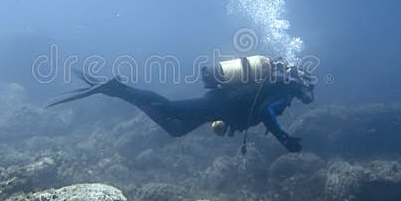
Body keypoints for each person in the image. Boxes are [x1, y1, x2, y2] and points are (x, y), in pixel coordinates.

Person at [45, 55, 314, 152]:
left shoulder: (279, 85)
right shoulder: (284, 91)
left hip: (222, 109)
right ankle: (116, 88)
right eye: (307, 90)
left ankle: (115, 90)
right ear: (301, 83)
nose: (306, 97)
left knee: (176, 129)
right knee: (170, 108)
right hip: (219, 104)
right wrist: (284, 138)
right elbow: (264, 111)